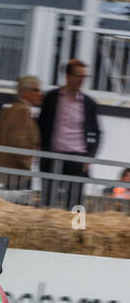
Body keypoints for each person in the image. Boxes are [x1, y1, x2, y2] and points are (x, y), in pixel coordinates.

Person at [38, 59, 102, 207]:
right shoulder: (51, 98)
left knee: (76, 201)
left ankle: (77, 229)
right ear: (68, 76)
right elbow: (41, 125)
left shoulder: (89, 103)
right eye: (78, 76)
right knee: (47, 199)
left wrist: (90, 157)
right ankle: (48, 228)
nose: (81, 80)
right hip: (52, 156)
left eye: (84, 77)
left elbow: (97, 133)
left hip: (77, 158)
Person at [0, 75, 42, 190]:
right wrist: (26, 162)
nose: (39, 94)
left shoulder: (10, 109)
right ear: (24, 92)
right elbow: (18, 141)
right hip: (15, 173)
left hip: (1, 170)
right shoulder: (22, 111)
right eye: (36, 90)